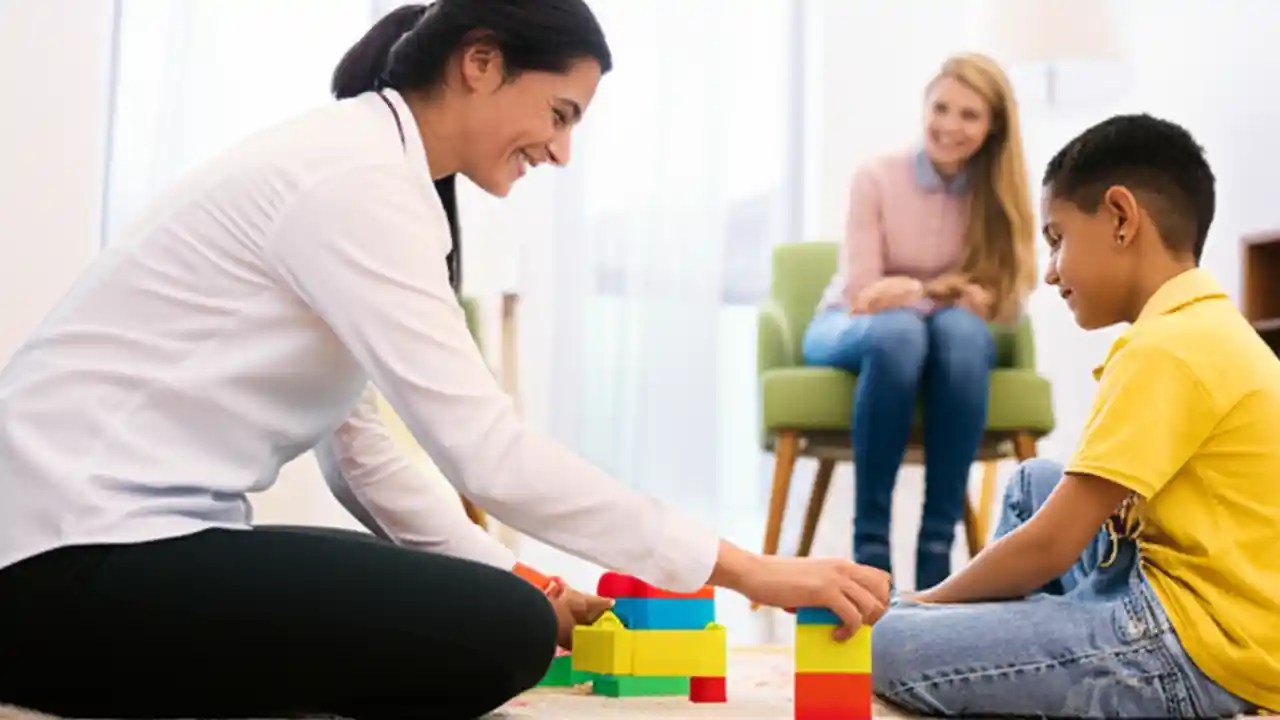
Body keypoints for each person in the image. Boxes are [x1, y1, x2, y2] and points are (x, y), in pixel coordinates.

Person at [0, 3, 891, 718]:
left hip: (96, 552)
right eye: (559, 113)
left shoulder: (359, 165)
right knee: (495, 634)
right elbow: (487, 452)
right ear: (480, 62)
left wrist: (520, 574)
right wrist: (754, 571)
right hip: (62, 568)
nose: (561, 148)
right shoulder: (356, 182)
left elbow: (363, 451)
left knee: (473, 599)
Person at [871, 114, 1280, 718]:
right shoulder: (1203, 324)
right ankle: (1028, 640)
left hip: (1195, 650)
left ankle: (1022, 642)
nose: (1052, 270)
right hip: (1189, 599)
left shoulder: (1166, 348)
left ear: (1120, 217)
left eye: (1058, 237)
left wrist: (920, 604)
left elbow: (1052, 547)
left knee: (883, 644)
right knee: (1037, 483)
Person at [803, 53, 1036, 590]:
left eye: (970, 115)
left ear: (993, 127)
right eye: (941, 108)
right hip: (849, 326)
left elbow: (1002, 301)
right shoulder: (877, 178)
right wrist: (944, 292)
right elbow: (866, 292)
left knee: (957, 333)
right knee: (905, 332)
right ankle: (871, 549)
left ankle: (937, 550)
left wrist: (918, 293)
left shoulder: (996, 196)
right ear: (924, 107)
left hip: (934, 334)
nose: (950, 126)